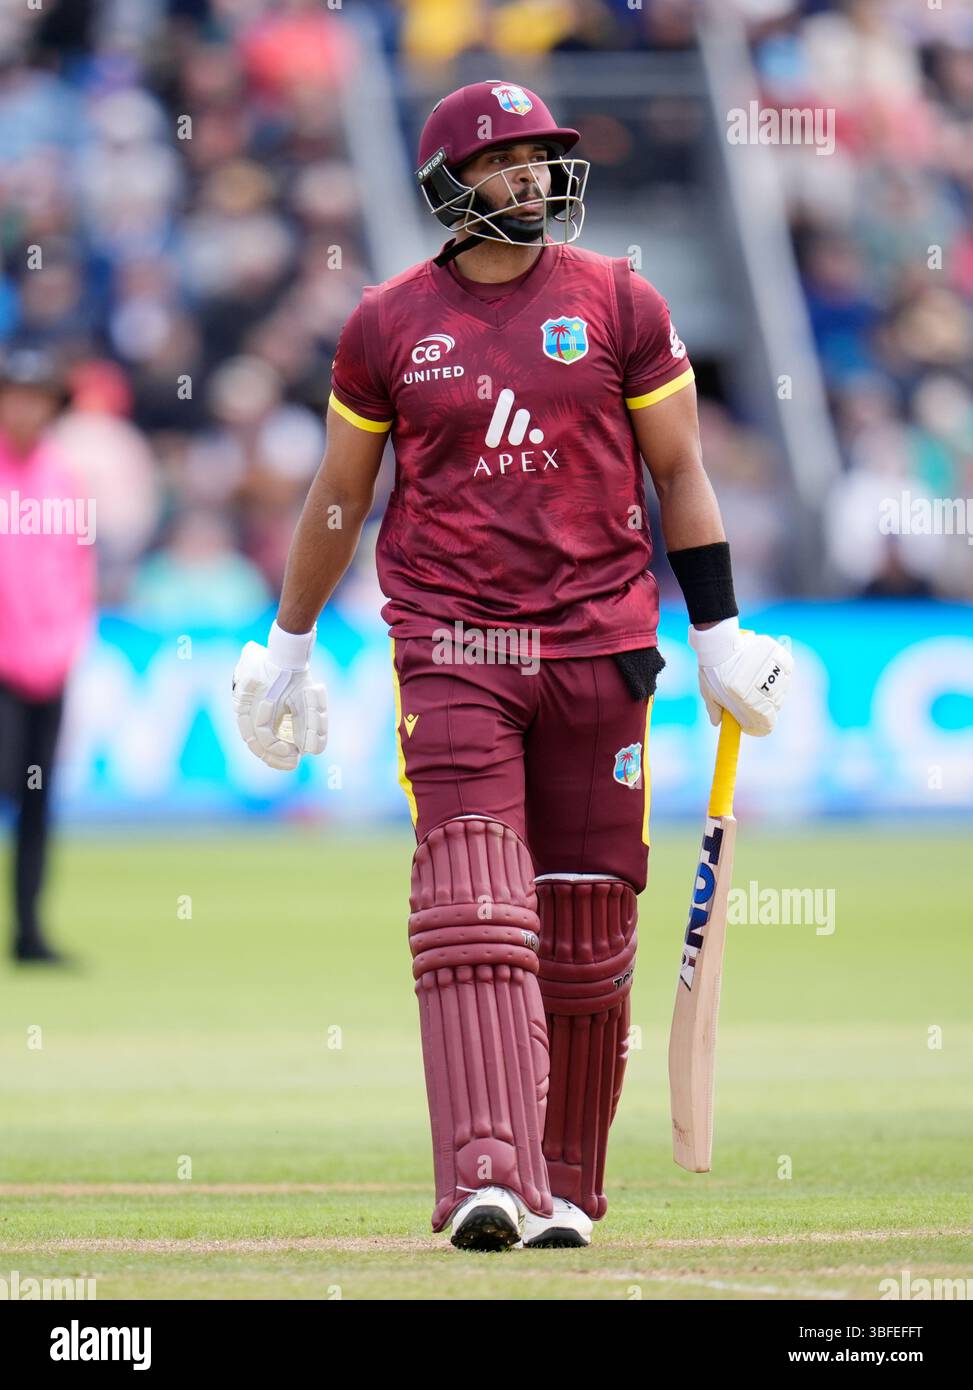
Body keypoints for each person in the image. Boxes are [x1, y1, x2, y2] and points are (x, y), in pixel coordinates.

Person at [231, 81, 793, 1251]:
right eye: (509, 161)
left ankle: (567, 1187)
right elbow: (342, 496)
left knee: (586, 931)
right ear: (452, 182)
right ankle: (485, 1174)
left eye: (545, 158)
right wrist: (284, 646)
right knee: (475, 906)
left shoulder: (620, 301)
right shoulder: (387, 323)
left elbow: (680, 473)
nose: (536, 177)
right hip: (452, 648)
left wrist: (721, 631)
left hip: (604, 645)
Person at [0, 349, 95, 963]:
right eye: (16, 395)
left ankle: (29, 932)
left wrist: (65, 647)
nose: (26, 408)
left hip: (50, 667)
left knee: (38, 801)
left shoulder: (63, 480)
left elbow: (77, 573)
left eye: (38, 398)